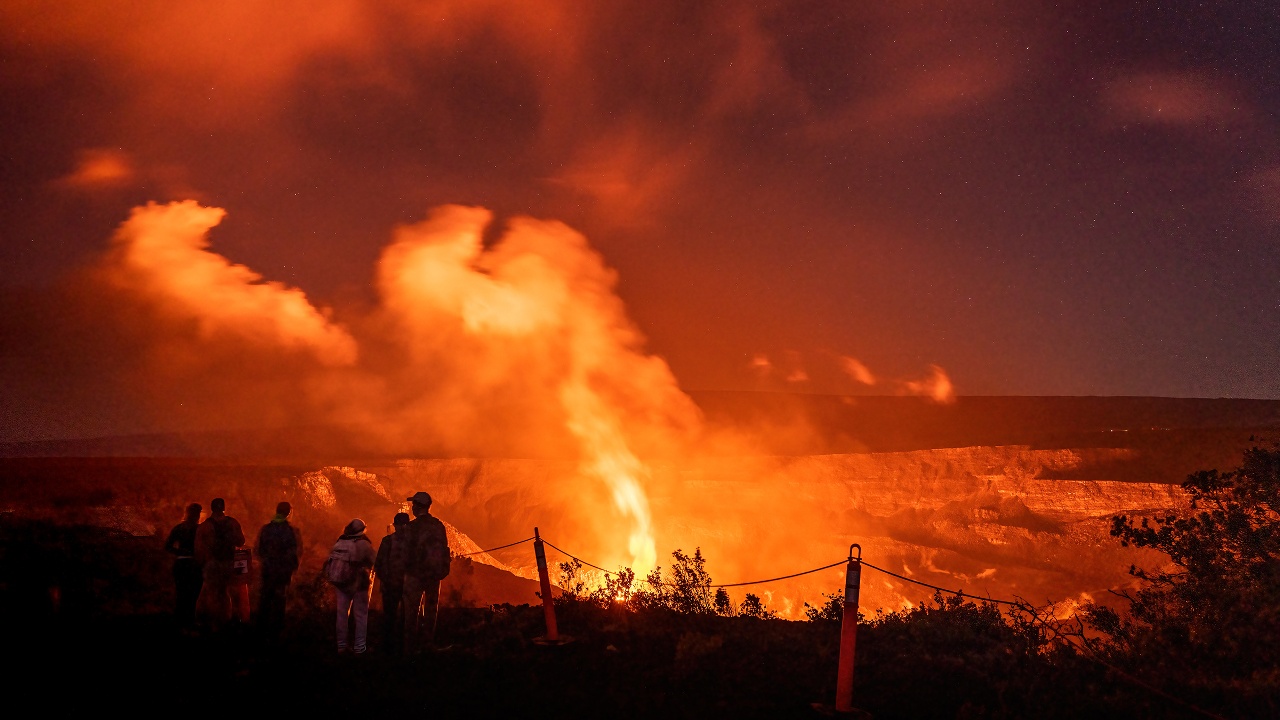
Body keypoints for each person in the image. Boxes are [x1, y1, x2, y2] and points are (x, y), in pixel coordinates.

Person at [402, 491, 452, 654]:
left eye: (413, 504)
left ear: (417, 506)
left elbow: (404, 551)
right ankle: (427, 644)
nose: (412, 508)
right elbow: (444, 549)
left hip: (414, 575)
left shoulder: (411, 527)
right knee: (431, 610)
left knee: (411, 610)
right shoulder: (438, 526)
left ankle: (410, 647)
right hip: (433, 574)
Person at [194, 497, 249, 633]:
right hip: (230, 563)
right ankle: (232, 620)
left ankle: (215, 624)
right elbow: (241, 541)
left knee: (214, 593)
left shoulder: (205, 526)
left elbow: (199, 548)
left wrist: (202, 564)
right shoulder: (233, 523)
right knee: (231, 592)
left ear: (212, 508)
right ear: (224, 507)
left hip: (212, 564)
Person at [255, 501, 301, 644]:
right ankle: (276, 632)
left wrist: (265, 560)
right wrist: (293, 567)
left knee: (265, 598)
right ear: (288, 513)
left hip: (268, 568)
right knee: (280, 599)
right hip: (283, 571)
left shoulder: (265, 529)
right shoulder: (292, 531)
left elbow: (258, 550)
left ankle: (260, 631)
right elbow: (297, 551)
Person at [328, 518, 376, 654]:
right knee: (360, 615)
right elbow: (375, 560)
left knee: (342, 614)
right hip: (359, 584)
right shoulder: (363, 545)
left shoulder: (340, 542)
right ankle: (359, 648)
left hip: (341, 582)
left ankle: (341, 646)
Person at [374, 512, 411, 655]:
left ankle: (389, 648)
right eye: (401, 525)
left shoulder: (387, 541)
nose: (401, 527)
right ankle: (400, 648)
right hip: (402, 586)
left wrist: (385, 579)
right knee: (403, 618)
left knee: (392, 618)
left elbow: (378, 564)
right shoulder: (411, 544)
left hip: (393, 586)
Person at [164, 502, 203, 633]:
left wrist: (180, 552)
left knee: (182, 594)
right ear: (197, 515)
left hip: (180, 564)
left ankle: (179, 622)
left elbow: (168, 546)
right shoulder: (199, 529)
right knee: (192, 595)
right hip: (194, 565)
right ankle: (189, 621)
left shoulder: (179, 528)